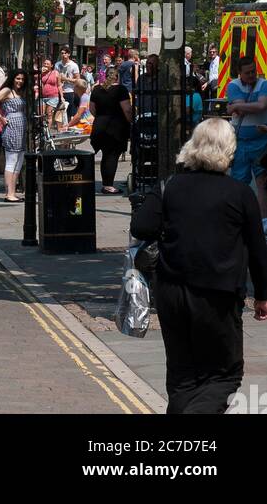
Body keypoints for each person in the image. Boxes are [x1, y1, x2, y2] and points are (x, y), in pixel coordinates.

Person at [131, 118, 267, 414]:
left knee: (182, 375)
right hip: (218, 295)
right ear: (229, 150)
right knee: (223, 375)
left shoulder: (170, 186)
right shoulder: (240, 194)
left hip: (171, 292)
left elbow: (141, 226)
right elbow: (258, 250)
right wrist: (262, 296)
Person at [226, 57, 267, 215]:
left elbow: (262, 105)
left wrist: (235, 105)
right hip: (241, 143)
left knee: (263, 183)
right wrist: (253, 106)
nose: (252, 75)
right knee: (239, 183)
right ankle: (239, 217)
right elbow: (254, 108)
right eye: (247, 72)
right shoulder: (233, 85)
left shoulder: (263, 84)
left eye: (253, 71)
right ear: (239, 73)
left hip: (261, 142)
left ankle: (263, 220)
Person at [89, 65, 132, 194]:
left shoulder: (96, 90)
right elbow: (127, 109)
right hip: (115, 126)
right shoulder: (121, 90)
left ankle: (106, 184)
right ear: (117, 77)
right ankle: (108, 186)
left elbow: (92, 109)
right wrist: (131, 121)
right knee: (112, 156)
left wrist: (101, 117)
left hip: (100, 125)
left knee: (106, 155)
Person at [0, 69, 28, 202]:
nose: (20, 81)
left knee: (19, 160)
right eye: (18, 78)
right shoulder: (7, 91)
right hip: (12, 127)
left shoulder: (20, 92)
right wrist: (0, 117)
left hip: (21, 128)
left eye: (22, 79)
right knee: (12, 160)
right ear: (12, 78)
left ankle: (12, 192)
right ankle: (9, 193)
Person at [55, 48, 80, 121]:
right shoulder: (57, 64)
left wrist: (66, 79)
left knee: (69, 112)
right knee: (59, 113)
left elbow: (78, 80)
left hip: (70, 90)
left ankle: (69, 128)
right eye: (62, 53)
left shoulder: (73, 65)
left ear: (69, 54)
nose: (63, 55)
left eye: (65, 53)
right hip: (59, 91)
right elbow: (55, 77)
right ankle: (60, 128)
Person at [40, 57, 65, 130]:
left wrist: (62, 96)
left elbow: (59, 85)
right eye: (45, 63)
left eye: (48, 64)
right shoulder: (41, 73)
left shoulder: (56, 73)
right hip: (42, 96)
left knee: (49, 115)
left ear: (51, 65)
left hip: (53, 97)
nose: (46, 65)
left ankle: (47, 132)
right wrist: (40, 73)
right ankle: (41, 130)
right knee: (40, 115)